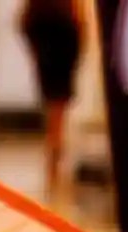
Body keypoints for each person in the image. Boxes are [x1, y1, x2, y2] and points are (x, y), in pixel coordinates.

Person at [21, 0, 84, 198]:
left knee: (53, 112)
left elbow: (24, 22)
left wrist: (35, 51)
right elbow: (79, 25)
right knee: (59, 113)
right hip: (64, 52)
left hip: (46, 54)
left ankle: (53, 166)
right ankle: (55, 165)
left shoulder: (38, 9)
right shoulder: (67, 7)